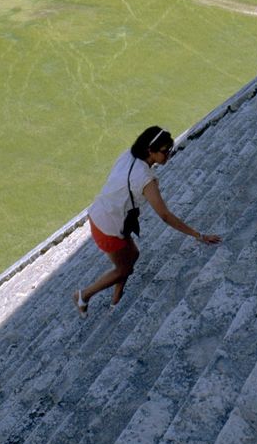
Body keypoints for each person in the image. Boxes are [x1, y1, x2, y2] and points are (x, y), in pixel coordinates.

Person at [74, 126, 221, 315]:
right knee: (123, 269)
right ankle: (83, 295)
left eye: (170, 150)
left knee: (133, 255)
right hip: (108, 226)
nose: (169, 155)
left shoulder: (128, 155)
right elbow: (165, 215)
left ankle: (116, 299)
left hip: (103, 214)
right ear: (150, 151)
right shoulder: (145, 179)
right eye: (165, 151)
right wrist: (199, 235)